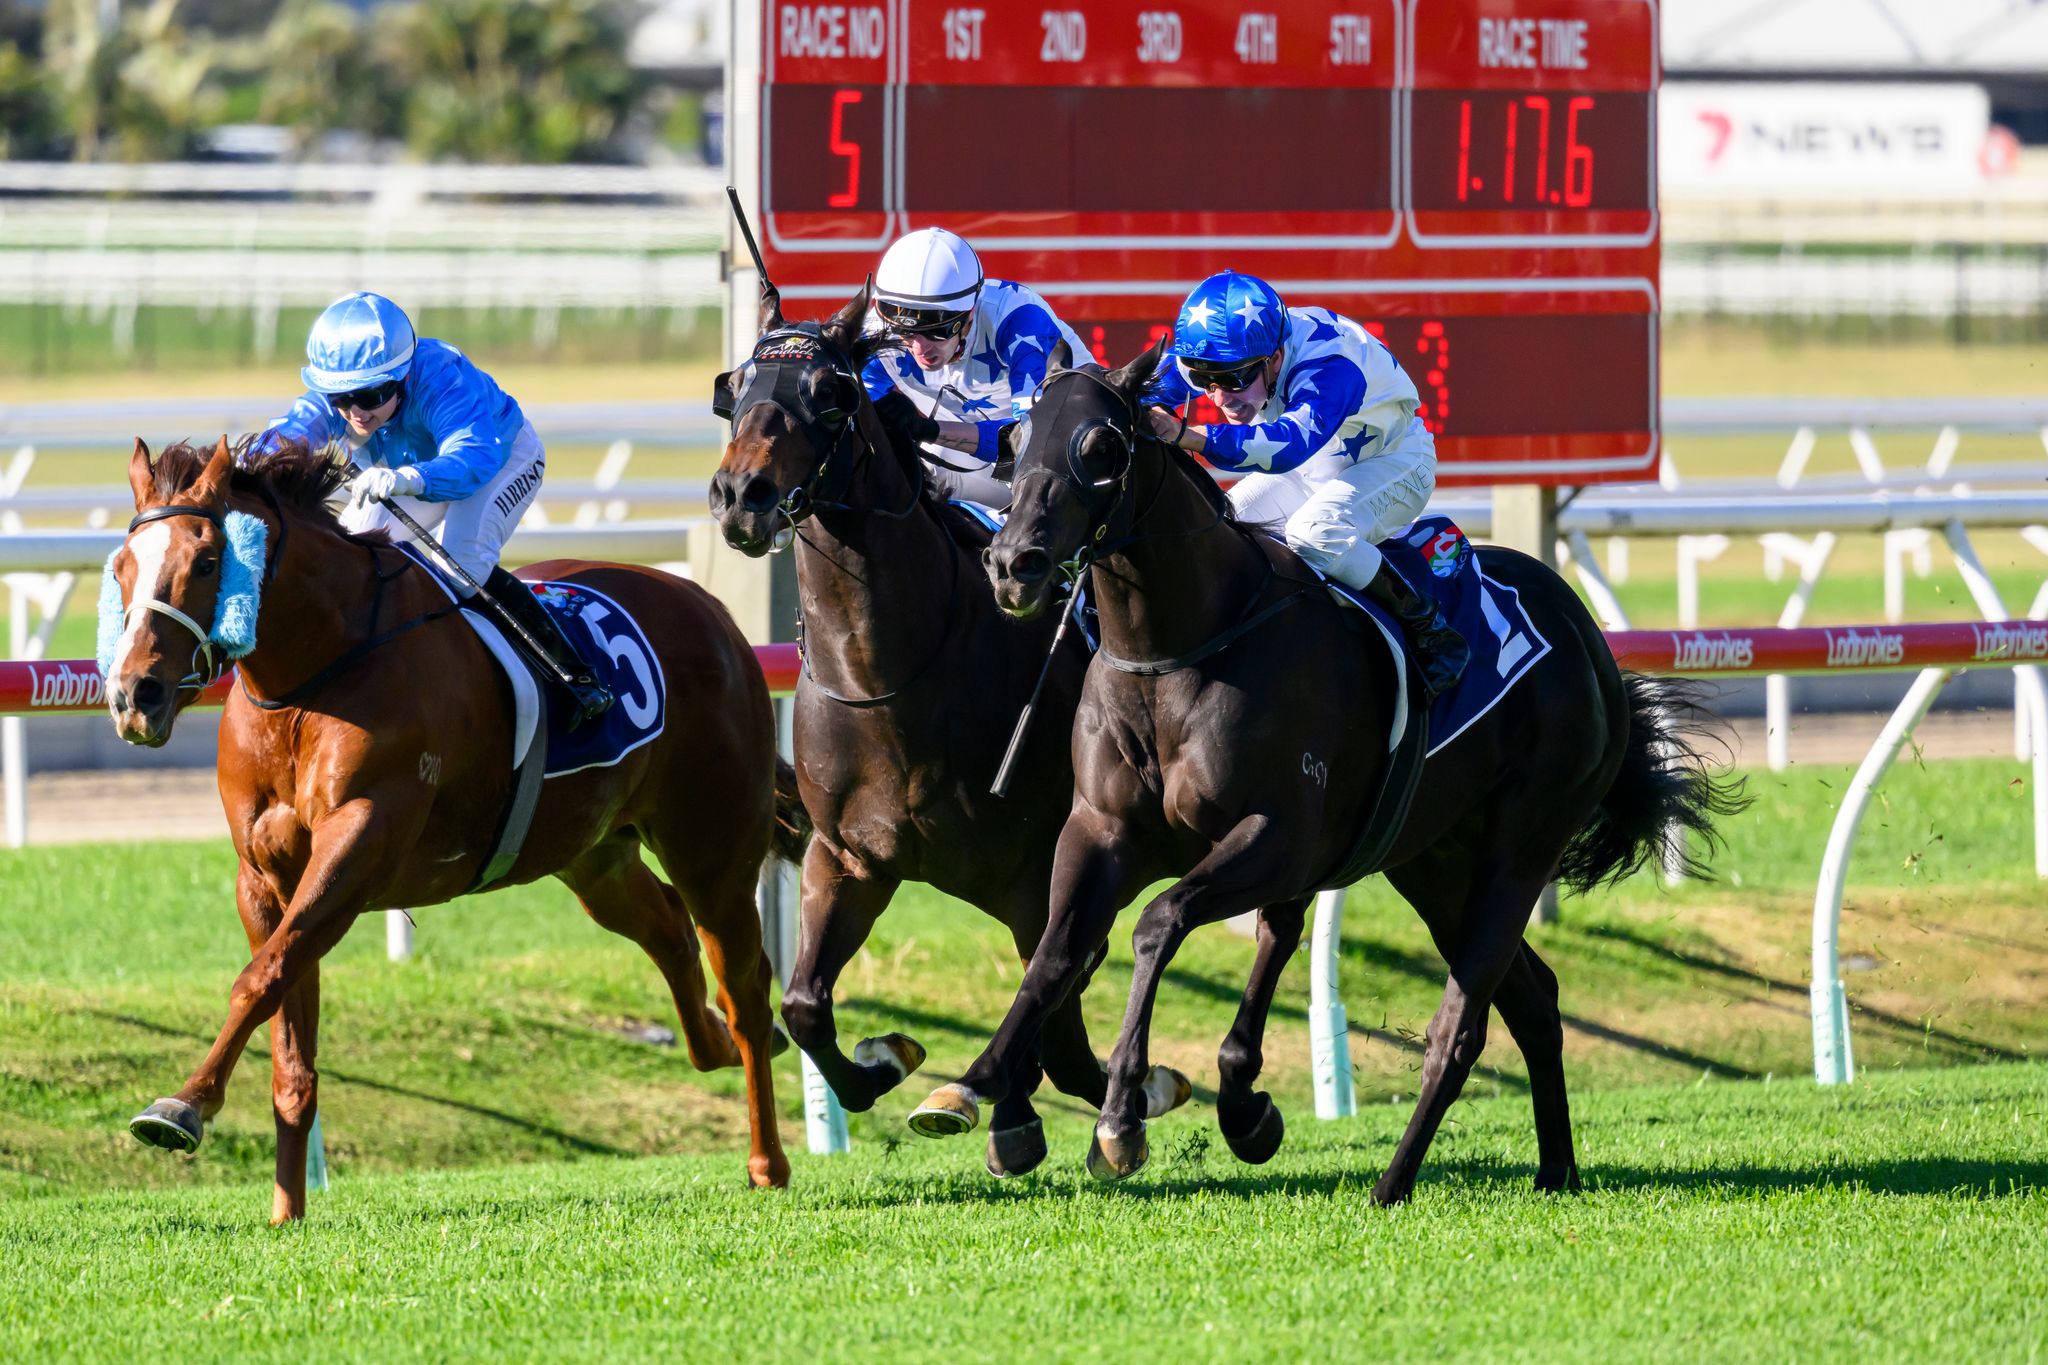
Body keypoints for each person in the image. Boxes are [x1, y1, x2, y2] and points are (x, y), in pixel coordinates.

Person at [257, 291, 613, 724]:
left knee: (460, 568)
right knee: (351, 552)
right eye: (340, 399)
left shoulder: (442, 377)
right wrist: (242, 464)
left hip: (499, 459)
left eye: (369, 397)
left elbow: (473, 458)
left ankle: (573, 679)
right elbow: (295, 430)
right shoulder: (350, 397)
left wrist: (410, 479)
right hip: (414, 470)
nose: (355, 412)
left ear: (402, 378)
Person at [1145, 270, 1469, 697]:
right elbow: (1136, 390)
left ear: (1276, 357)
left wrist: (1185, 434)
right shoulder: (1230, 350)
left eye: (1234, 379)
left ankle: (1430, 629)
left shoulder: (1330, 364)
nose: (1219, 395)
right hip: (1314, 468)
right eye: (1206, 380)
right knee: (1216, 527)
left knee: (1313, 534)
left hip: (1395, 462)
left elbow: (1289, 446)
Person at [861, 227, 1089, 510]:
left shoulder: (1019, 320)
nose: (919, 348)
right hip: (975, 460)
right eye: (905, 332)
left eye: (936, 330)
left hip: (1067, 462)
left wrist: (926, 428)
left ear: (969, 313)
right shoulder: (876, 333)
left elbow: (1033, 443)